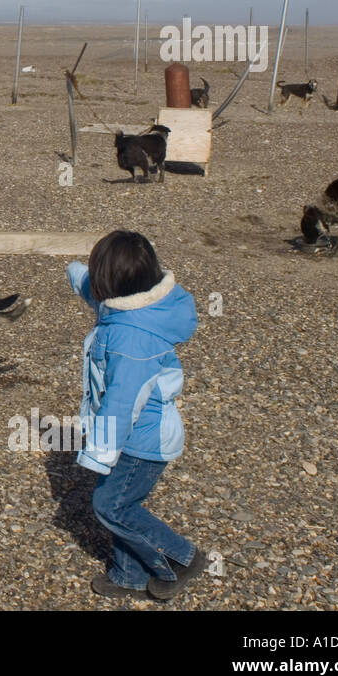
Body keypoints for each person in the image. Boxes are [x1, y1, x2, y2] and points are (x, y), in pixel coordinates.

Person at [67, 230, 204, 600]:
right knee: (119, 501)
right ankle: (127, 575)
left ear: (110, 283)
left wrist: (99, 453)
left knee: (110, 505)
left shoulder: (133, 337)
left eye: (96, 273)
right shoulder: (133, 304)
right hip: (136, 435)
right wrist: (76, 271)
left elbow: (122, 401)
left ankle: (179, 557)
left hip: (142, 440)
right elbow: (93, 293)